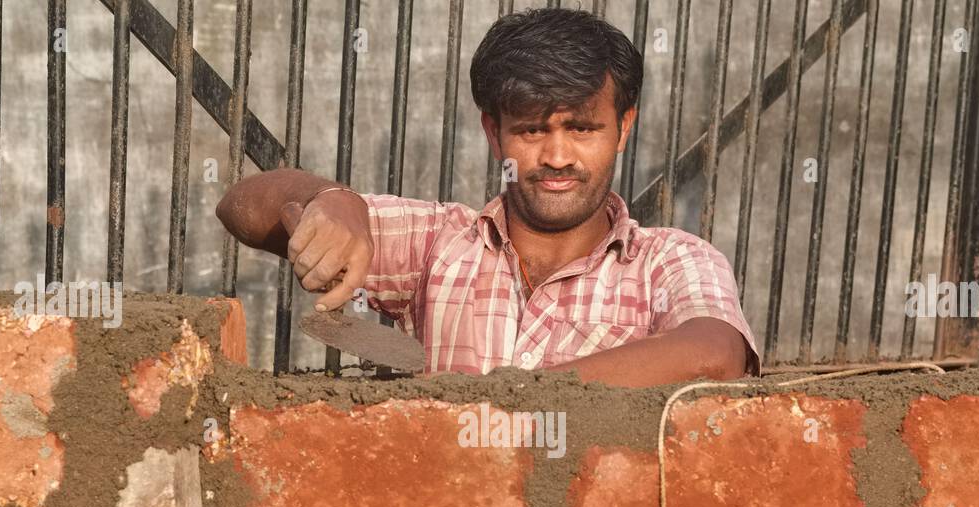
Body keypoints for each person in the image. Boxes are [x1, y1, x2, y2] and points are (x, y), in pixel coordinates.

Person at [216, 6, 759, 387]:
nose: (557, 156)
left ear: (623, 128)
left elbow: (716, 352)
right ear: (493, 132)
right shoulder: (439, 244)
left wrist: (508, 403)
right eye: (530, 131)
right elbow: (239, 207)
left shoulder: (667, 260)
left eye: (583, 129)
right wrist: (331, 200)